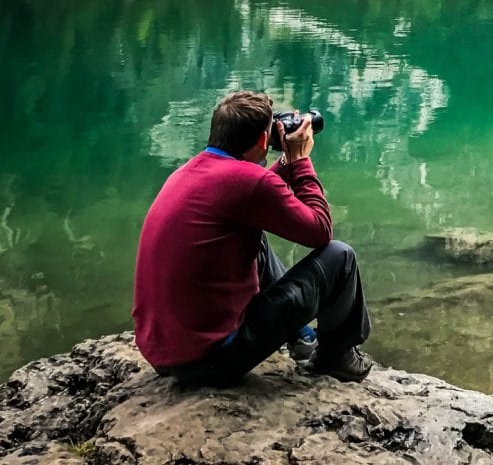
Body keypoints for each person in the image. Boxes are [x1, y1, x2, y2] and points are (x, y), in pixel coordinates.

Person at [132, 91, 373, 386]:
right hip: (213, 361)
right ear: (263, 140)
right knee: (340, 256)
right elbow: (320, 231)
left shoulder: (188, 172)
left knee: (253, 238)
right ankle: (336, 357)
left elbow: (255, 193)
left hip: (162, 355)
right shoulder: (248, 183)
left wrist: (285, 161)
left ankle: (301, 336)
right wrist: (300, 162)